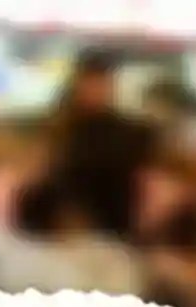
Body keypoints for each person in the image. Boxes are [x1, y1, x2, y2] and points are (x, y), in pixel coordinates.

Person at [34, 48, 156, 240]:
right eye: (90, 82)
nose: (95, 90)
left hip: (114, 231)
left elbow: (141, 185)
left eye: (101, 83)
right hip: (59, 231)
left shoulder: (132, 134)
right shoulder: (57, 127)